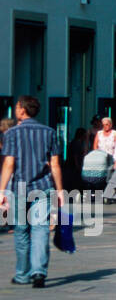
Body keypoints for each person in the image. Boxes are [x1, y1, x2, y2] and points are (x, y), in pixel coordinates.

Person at [0, 97, 65, 287]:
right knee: (40, 229)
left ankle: (22, 274)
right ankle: (39, 272)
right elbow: (55, 165)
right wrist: (60, 191)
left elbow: (9, 163)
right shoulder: (49, 132)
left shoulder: (12, 134)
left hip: (20, 187)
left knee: (21, 230)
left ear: (21, 110)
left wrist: (1, 189)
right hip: (43, 187)